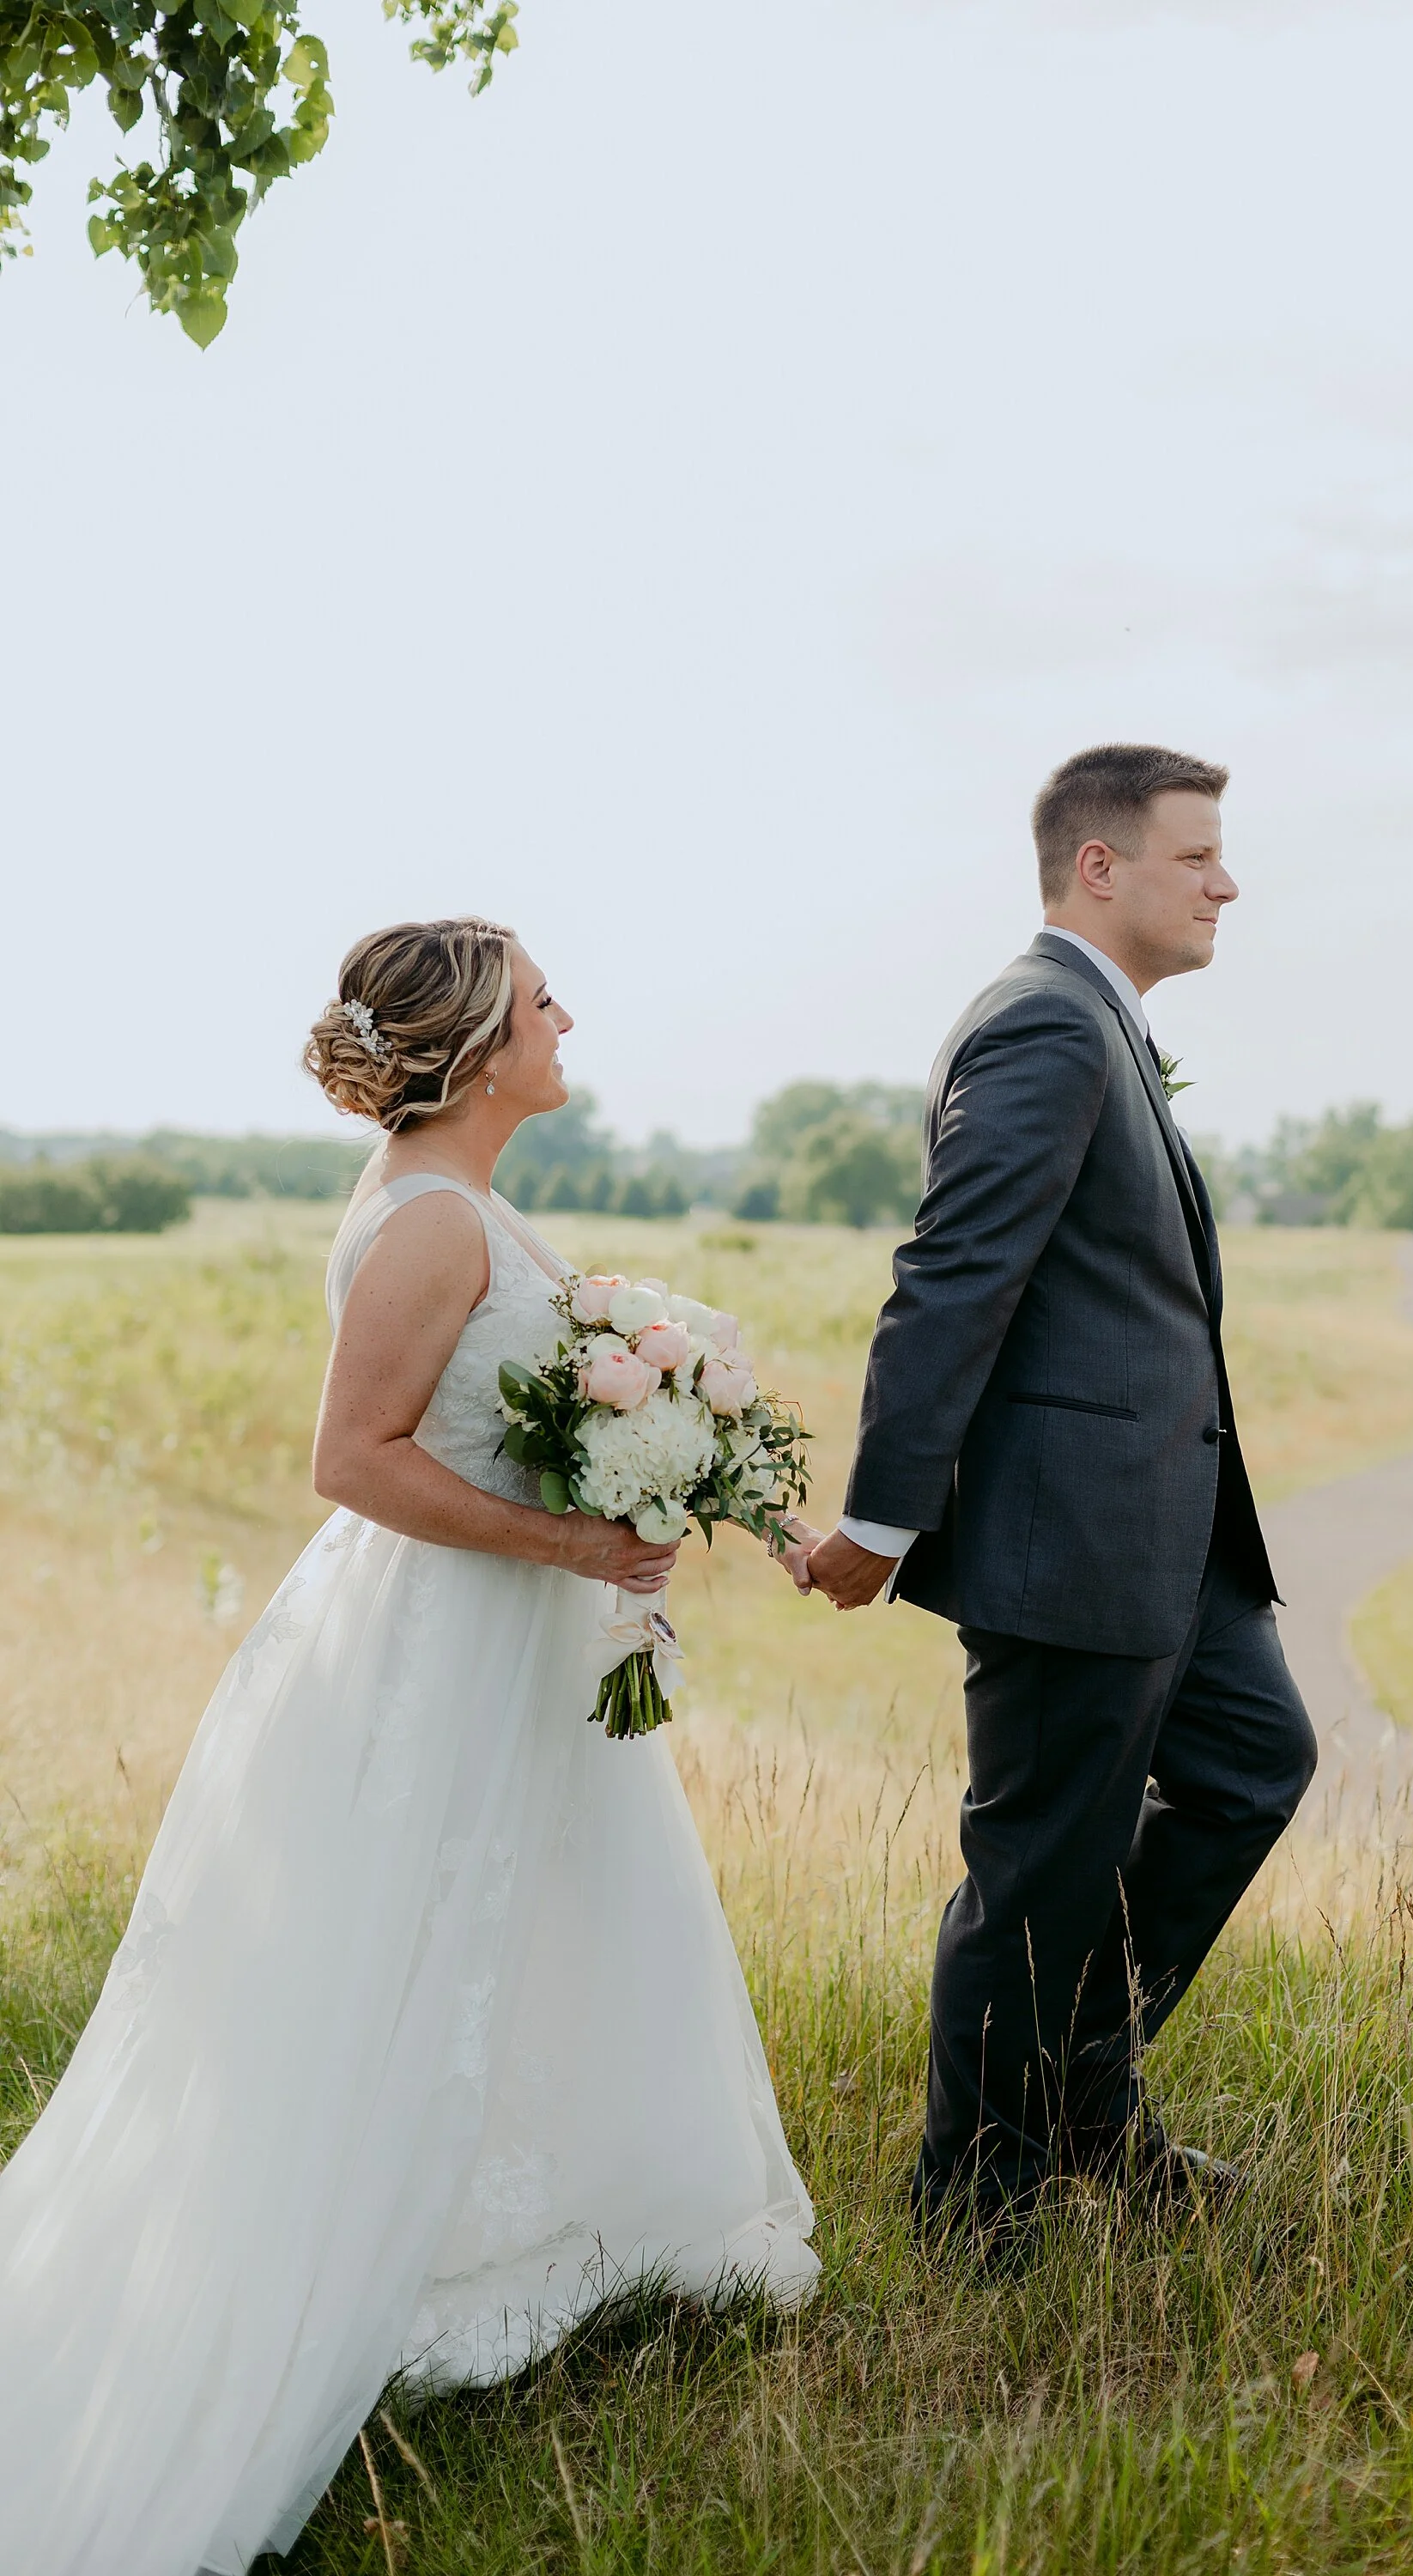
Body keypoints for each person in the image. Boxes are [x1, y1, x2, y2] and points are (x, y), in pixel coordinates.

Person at [0, 917, 818, 2576]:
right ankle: (377, 2257)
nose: (567, 1014)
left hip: (499, 1636)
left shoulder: (468, 1203)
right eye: (540, 1001)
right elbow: (351, 1459)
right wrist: (578, 1547)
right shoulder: (433, 1223)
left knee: (539, 1927)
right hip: (437, 1638)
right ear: (475, 1051)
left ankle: (548, 2230)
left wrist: (669, 1469)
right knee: (402, 1941)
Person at [803, 744, 1319, 2239]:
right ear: (1101, 867)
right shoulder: (1042, 1025)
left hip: (1175, 1536)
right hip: (1068, 1536)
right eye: (1197, 854)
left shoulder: (1098, 1021)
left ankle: (1088, 2094)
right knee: (1036, 1869)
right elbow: (952, 1278)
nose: (1228, 881)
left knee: (1249, 1767)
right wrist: (881, 1524)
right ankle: (975, 2202)